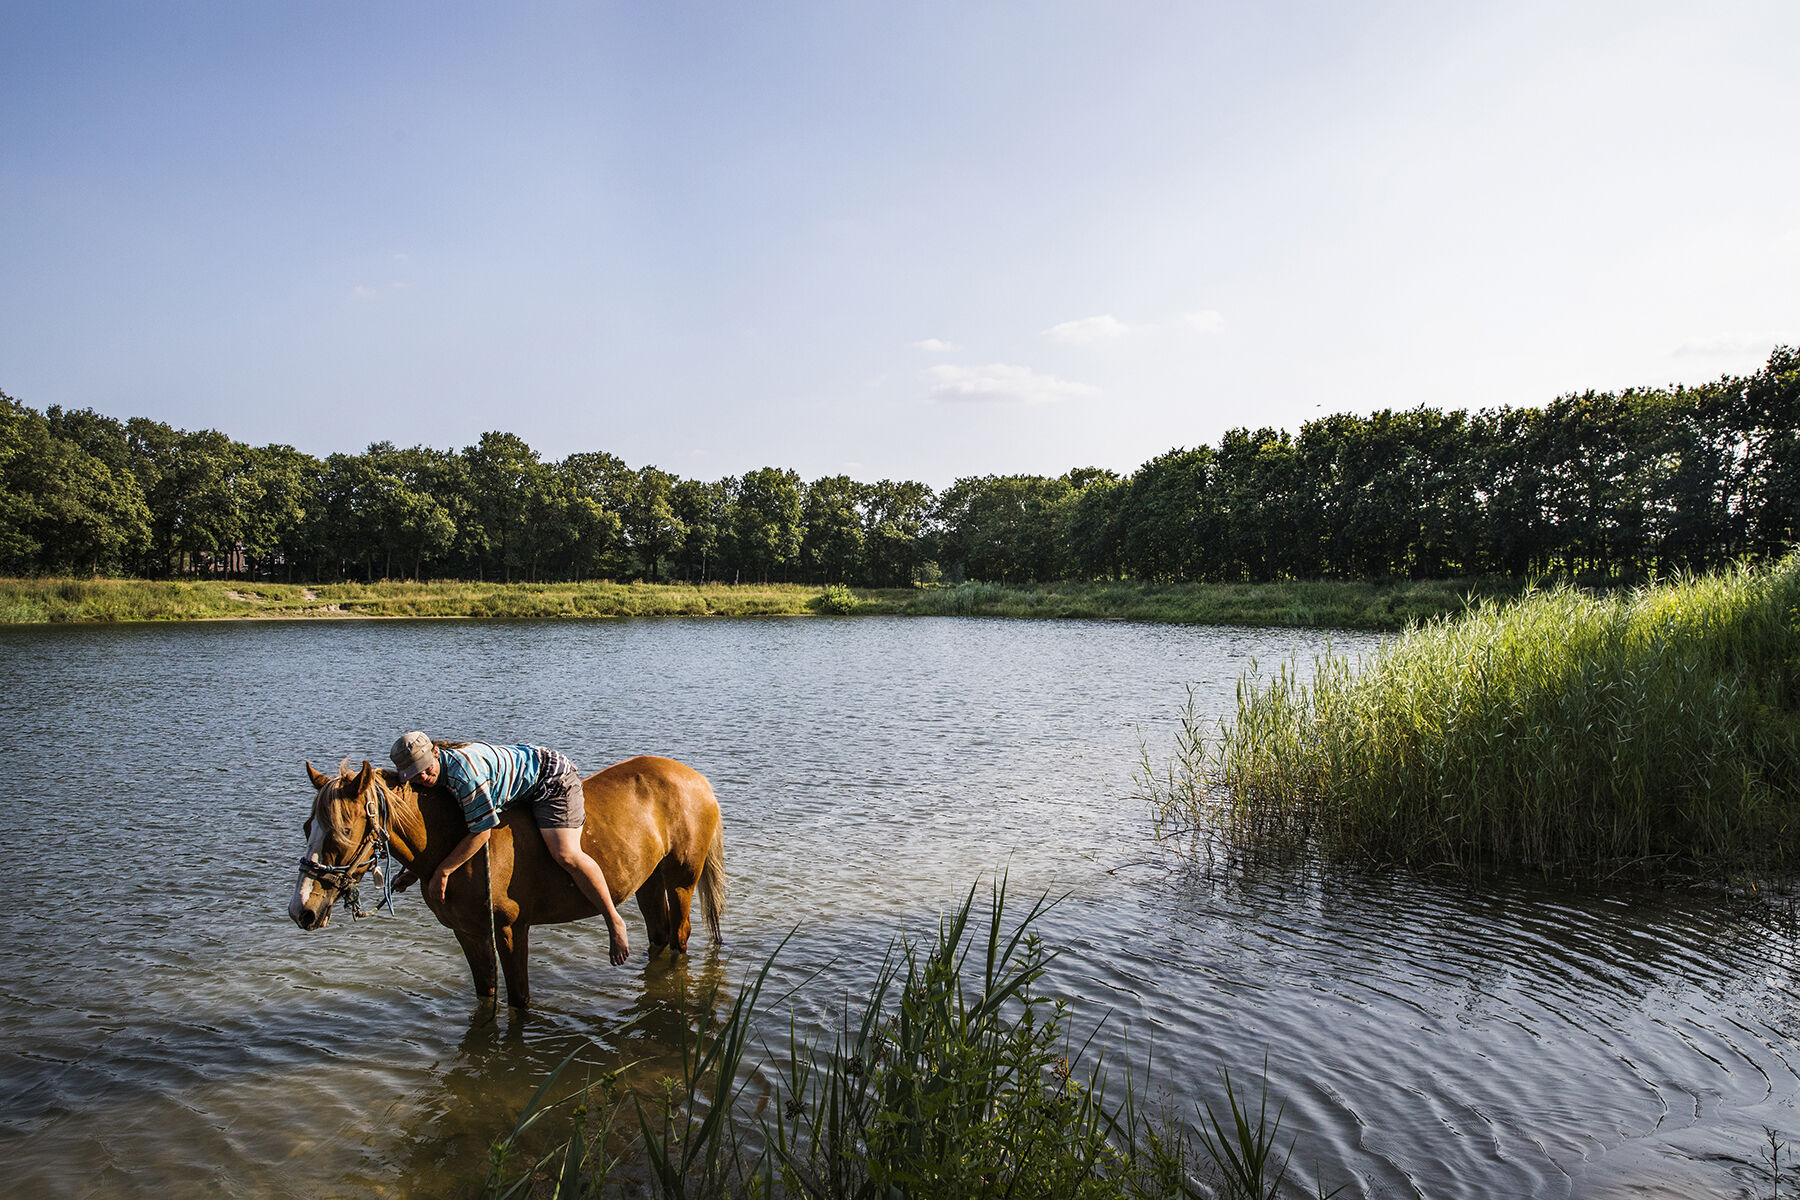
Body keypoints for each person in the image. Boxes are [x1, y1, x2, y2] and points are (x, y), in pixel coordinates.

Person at [389, 731, 631, 966]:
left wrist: (443, 872)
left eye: (425, 768)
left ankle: (613, 921)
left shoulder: (464, 775)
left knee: (565, 854)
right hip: (517, 778)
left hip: (550, 777)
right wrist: (413, 871)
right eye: (414, 774)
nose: (422, 777)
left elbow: (482, 831)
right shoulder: (432, 778)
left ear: (435, 752)